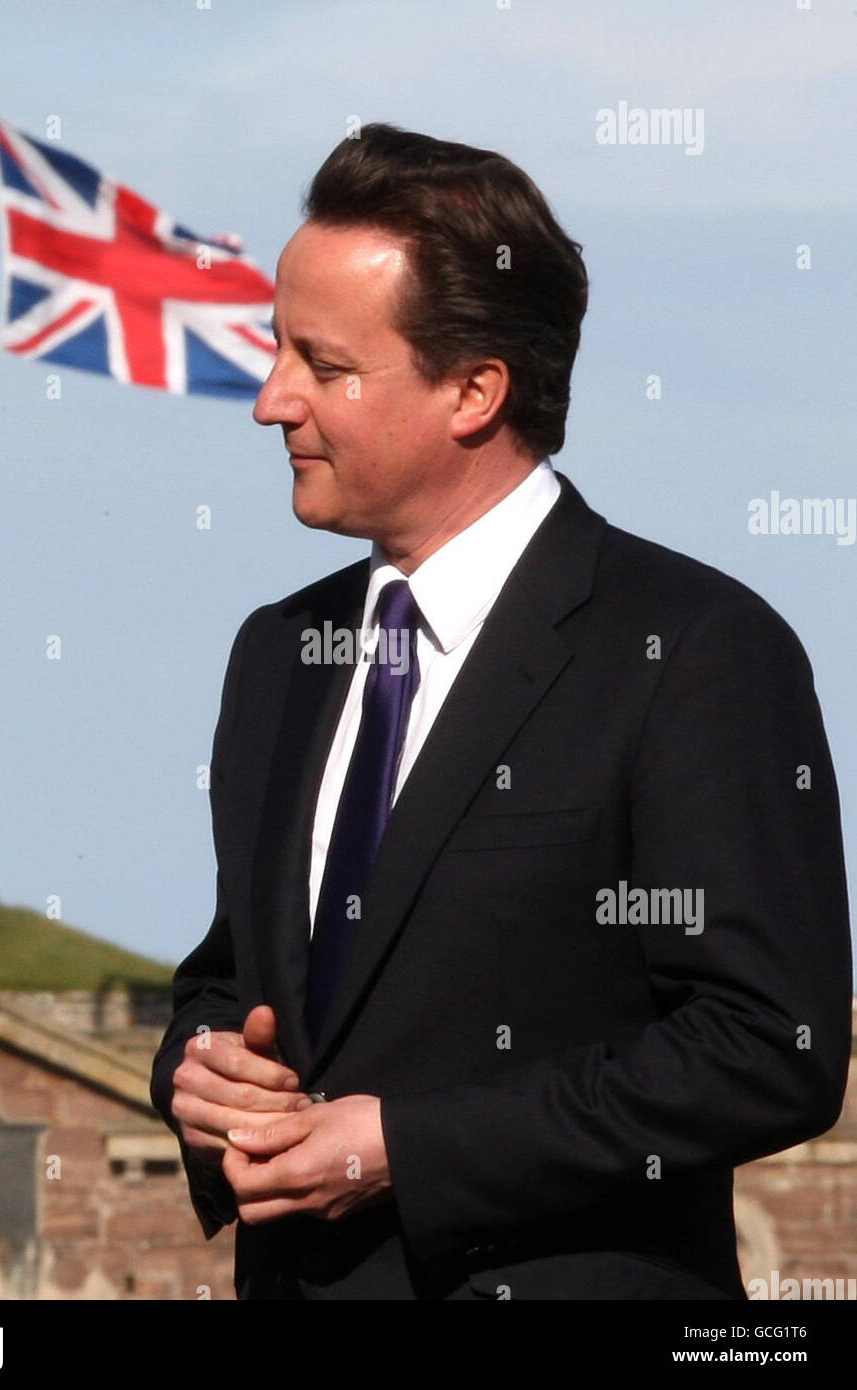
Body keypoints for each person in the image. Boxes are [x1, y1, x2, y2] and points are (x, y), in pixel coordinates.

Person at [150, 124, 852, 1300]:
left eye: (324, 365)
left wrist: (402, 1150)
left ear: (475, 391)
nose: (272, 399)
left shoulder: (694, 651)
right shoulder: (277, 655)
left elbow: (765, 1048)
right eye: (279, 349)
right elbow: (236, 977)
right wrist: (204, 1070)